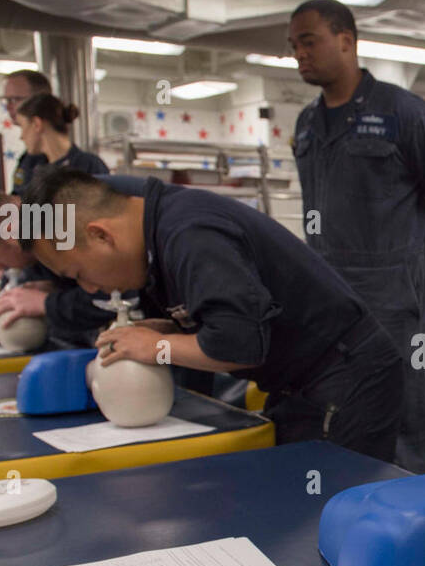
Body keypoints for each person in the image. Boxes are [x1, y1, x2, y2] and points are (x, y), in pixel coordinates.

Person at [21, 168, 402, 461]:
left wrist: (159, 346)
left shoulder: (189, 232)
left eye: (78, 274)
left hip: (344, 377)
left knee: (325, 515)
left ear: (101, 235)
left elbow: (240, 345)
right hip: (299, 381)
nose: (89, 289)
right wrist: (171, 329)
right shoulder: (159, 235)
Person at [289, 0, 425, 474]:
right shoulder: (306, 124)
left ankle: (423, 522)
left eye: (309, 41)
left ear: (346, 41)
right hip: (328, 294)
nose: (299, 54)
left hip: (396, 298)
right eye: (294, 46)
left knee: (407, 421)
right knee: (339, 411)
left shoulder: (404, 113)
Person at [0, 189, 117, 348]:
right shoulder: (31, 253)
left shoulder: (68, 225)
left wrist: (48, 303)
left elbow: (121, 294)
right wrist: (57, 291)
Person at [14, 93, 109, 183]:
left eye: (22, 127)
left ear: (37, 124)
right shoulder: (33, 167)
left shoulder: (89, 165)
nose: (21, 136)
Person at [2, 69, 52, 196]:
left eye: (14, 99)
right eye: (6, 100)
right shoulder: (28, 158)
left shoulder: (69, 160)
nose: (8, 107)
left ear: (39, 100)